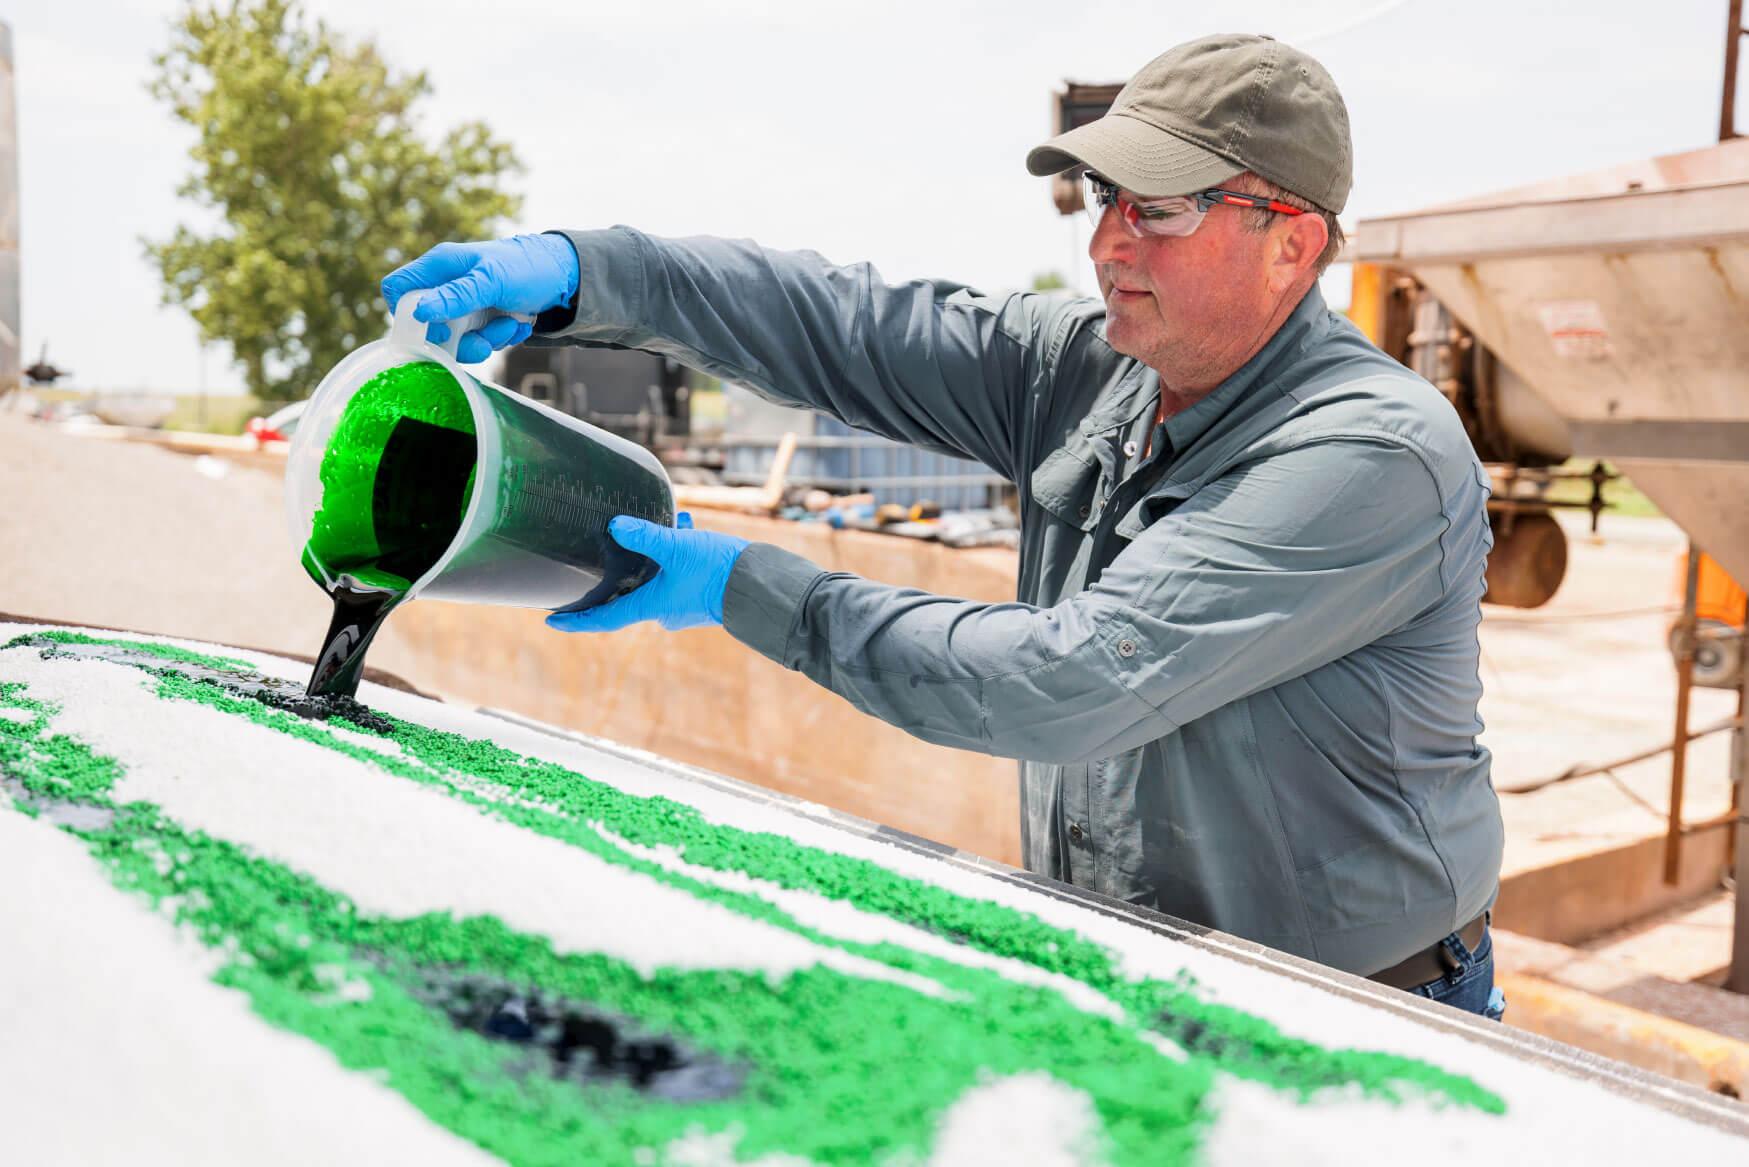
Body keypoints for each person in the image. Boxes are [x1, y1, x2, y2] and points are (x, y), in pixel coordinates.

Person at [383, 33, 1506, 1019]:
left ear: (1292, 244)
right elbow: (843, 327)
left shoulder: (1369, 453)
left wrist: (748, 588)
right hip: (1137, 970)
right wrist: (595, 275)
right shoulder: (1094, 368)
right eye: (1106, 203)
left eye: (1157, 211)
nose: (1109, 247)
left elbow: (1064, 684)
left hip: (1358, 1012)